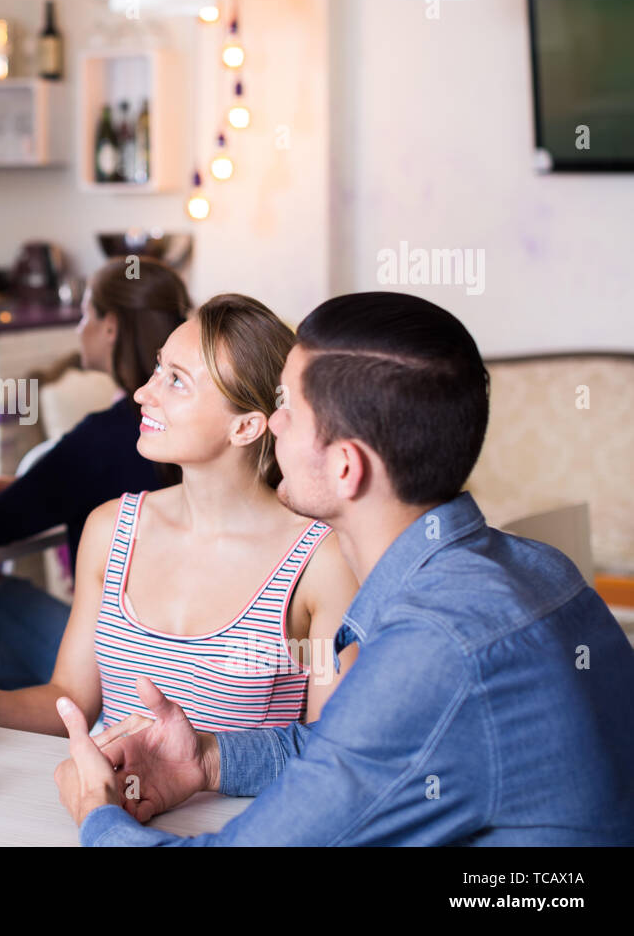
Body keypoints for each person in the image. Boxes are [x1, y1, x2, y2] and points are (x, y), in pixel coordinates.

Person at [54, 291, 634, 845]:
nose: (270, 424)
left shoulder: (433, 648)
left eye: (286, 409)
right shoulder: (541, 568)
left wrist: (98, 814)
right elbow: (355, 749)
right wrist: (207, 759)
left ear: (345, 467)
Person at [0, 294, 360, 734]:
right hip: (108, 812)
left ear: (245, 427)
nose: (143, 392)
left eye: (176, 380)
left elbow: (329, 756)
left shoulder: (322, 561)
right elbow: (72, 701)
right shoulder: (111, 529)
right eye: (158, 368)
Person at [0, 257, 190, 690]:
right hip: (190, 656)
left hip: (124, 673)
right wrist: (27, 488)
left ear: (110, 327)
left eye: (87, 312)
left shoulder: (105, 436)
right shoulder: (188, 427)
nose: (77, 328)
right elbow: (93, 485)